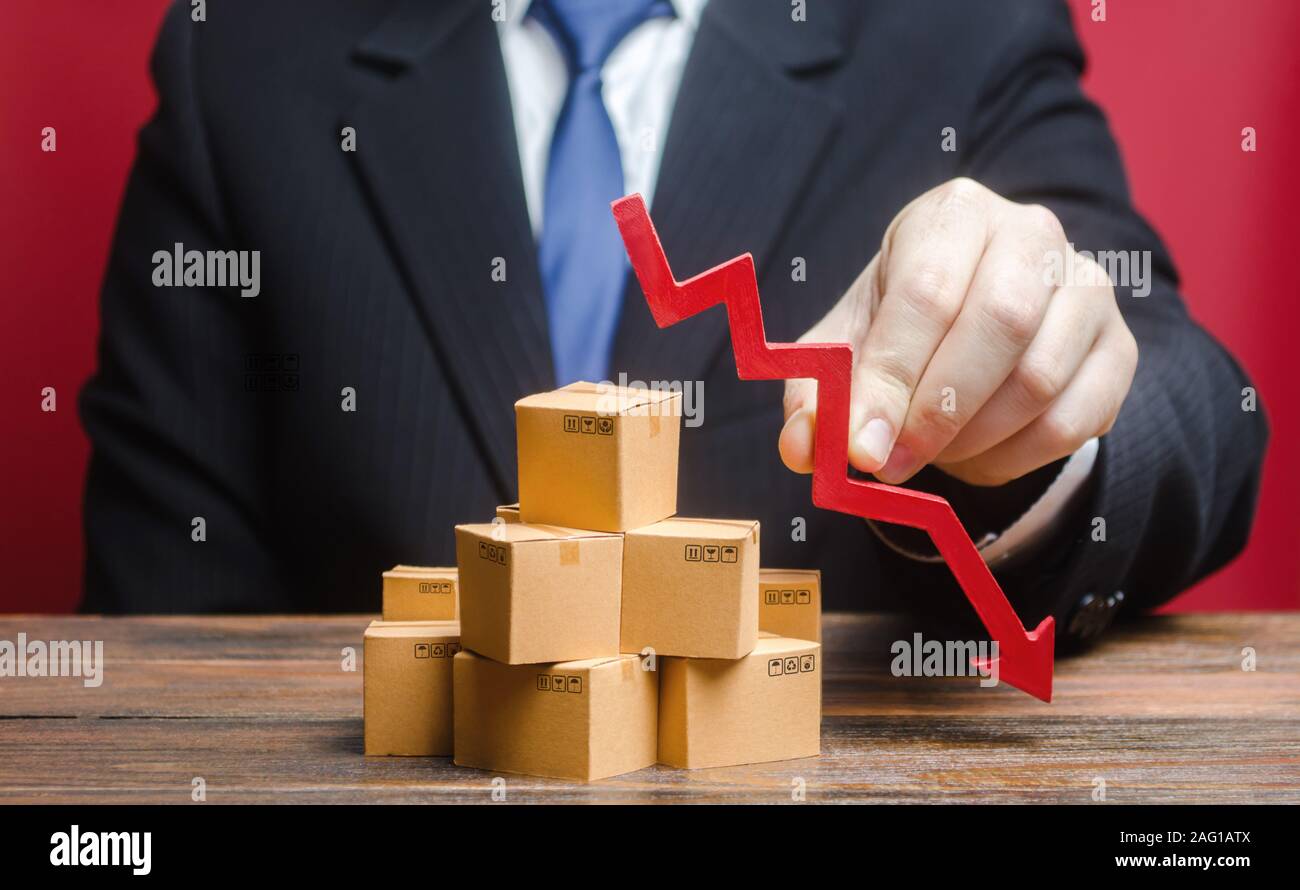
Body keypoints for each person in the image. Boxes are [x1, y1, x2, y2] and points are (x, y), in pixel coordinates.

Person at [80, 0, 1267, 651]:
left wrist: (1037, 428)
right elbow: (158, 621)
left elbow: (1178, 391)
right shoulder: (239, 54)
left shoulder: (958, 31)